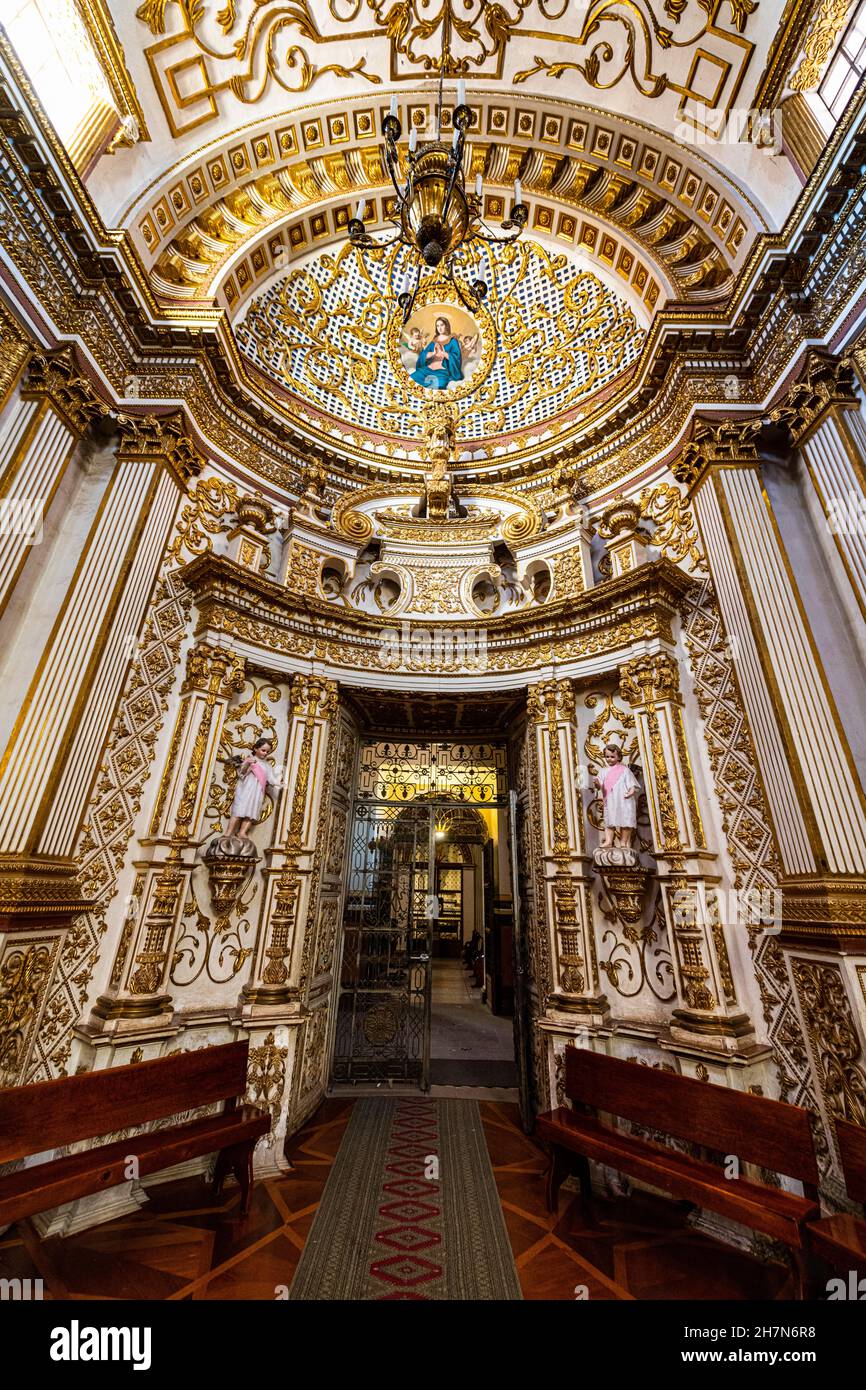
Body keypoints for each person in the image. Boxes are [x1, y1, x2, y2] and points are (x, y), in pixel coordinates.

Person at [225, 737, 278, 839]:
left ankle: (242, 832)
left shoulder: (267, 766)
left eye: (268, 751)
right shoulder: (249, 760)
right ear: (255, 749)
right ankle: (228, 832)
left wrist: (279, 783)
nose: (265, 753)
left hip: (257, 792)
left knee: (252, 812)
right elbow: (241, 773)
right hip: (246, 789)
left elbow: (271, 779)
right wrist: (248, 764)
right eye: (263, 750)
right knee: (239, 810)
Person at [594, 742, 639, 849]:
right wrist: (597, 784)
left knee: (626, 820)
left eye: (612, 757)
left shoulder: (625, 770)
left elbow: (632, 783)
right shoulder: (603, 771)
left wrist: (632, 790)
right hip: (610, 799)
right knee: (609, 820)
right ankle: (609, 841)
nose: (609, 759)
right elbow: (600, 785)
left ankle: (623, 842)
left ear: (618, 757)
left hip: (624, 798)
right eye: (607, 757)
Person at [411, 316, 463, 389]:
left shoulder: (452, 341)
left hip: (442, 372)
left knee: (438, 386)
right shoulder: (435, 340)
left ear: (446, 326)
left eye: (442, 325)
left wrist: (443, 353)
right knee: (412, 379)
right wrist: (433, 353)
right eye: (437, 326)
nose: (440, 328)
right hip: (427, 369)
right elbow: (424, 353)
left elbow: (457, 357)